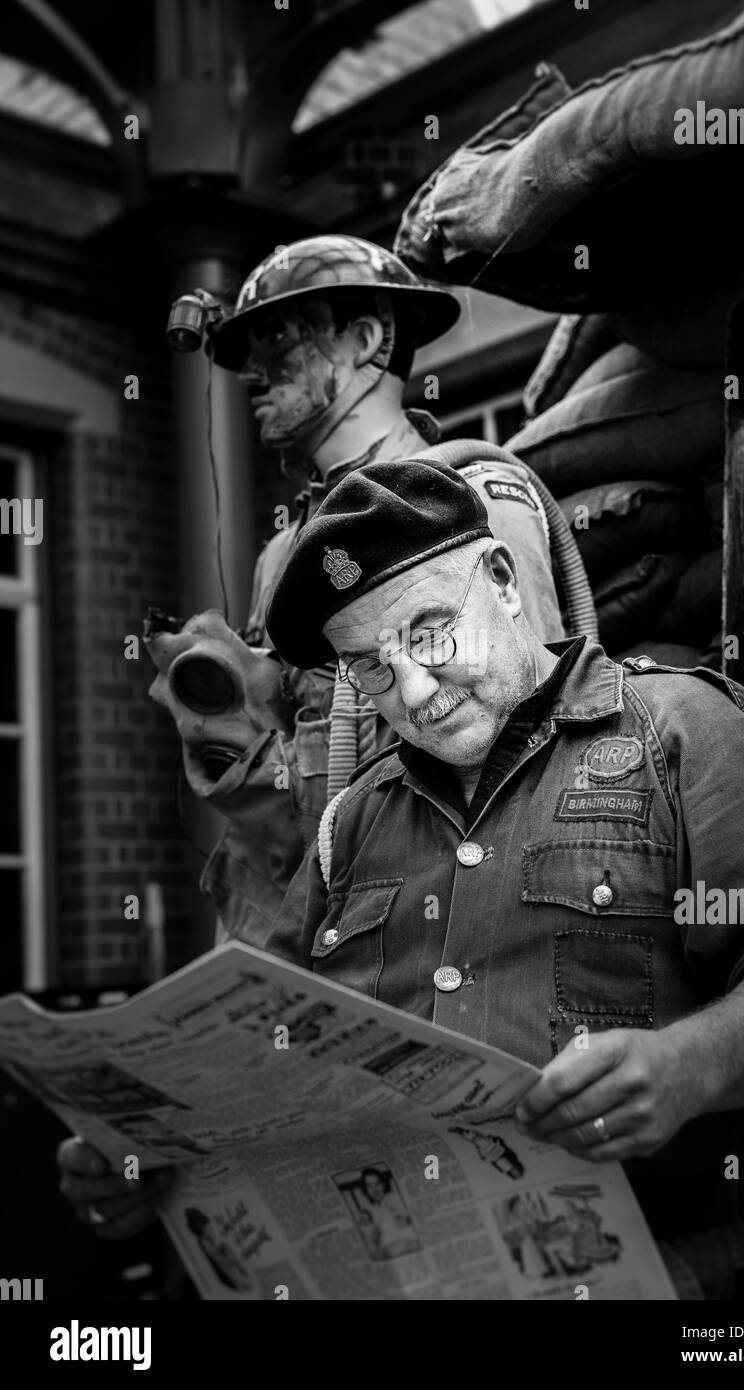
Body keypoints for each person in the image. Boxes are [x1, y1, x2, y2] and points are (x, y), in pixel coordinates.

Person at [57, 242, 593, 1243]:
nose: (257, 369)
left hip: (452, 1000)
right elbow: (295, 842)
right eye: (246, 347)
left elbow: (533, 764)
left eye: (284, 339)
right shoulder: (281, 561)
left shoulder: (468, 494)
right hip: (323, 988)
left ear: (368, 337)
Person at [255, 457, 744, 1299]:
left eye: (431, 633)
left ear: (503, 579)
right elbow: (261, 1044)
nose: (415, 690)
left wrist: (687, 1065)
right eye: (369, 668)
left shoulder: (683, 732)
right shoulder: (352, 821)